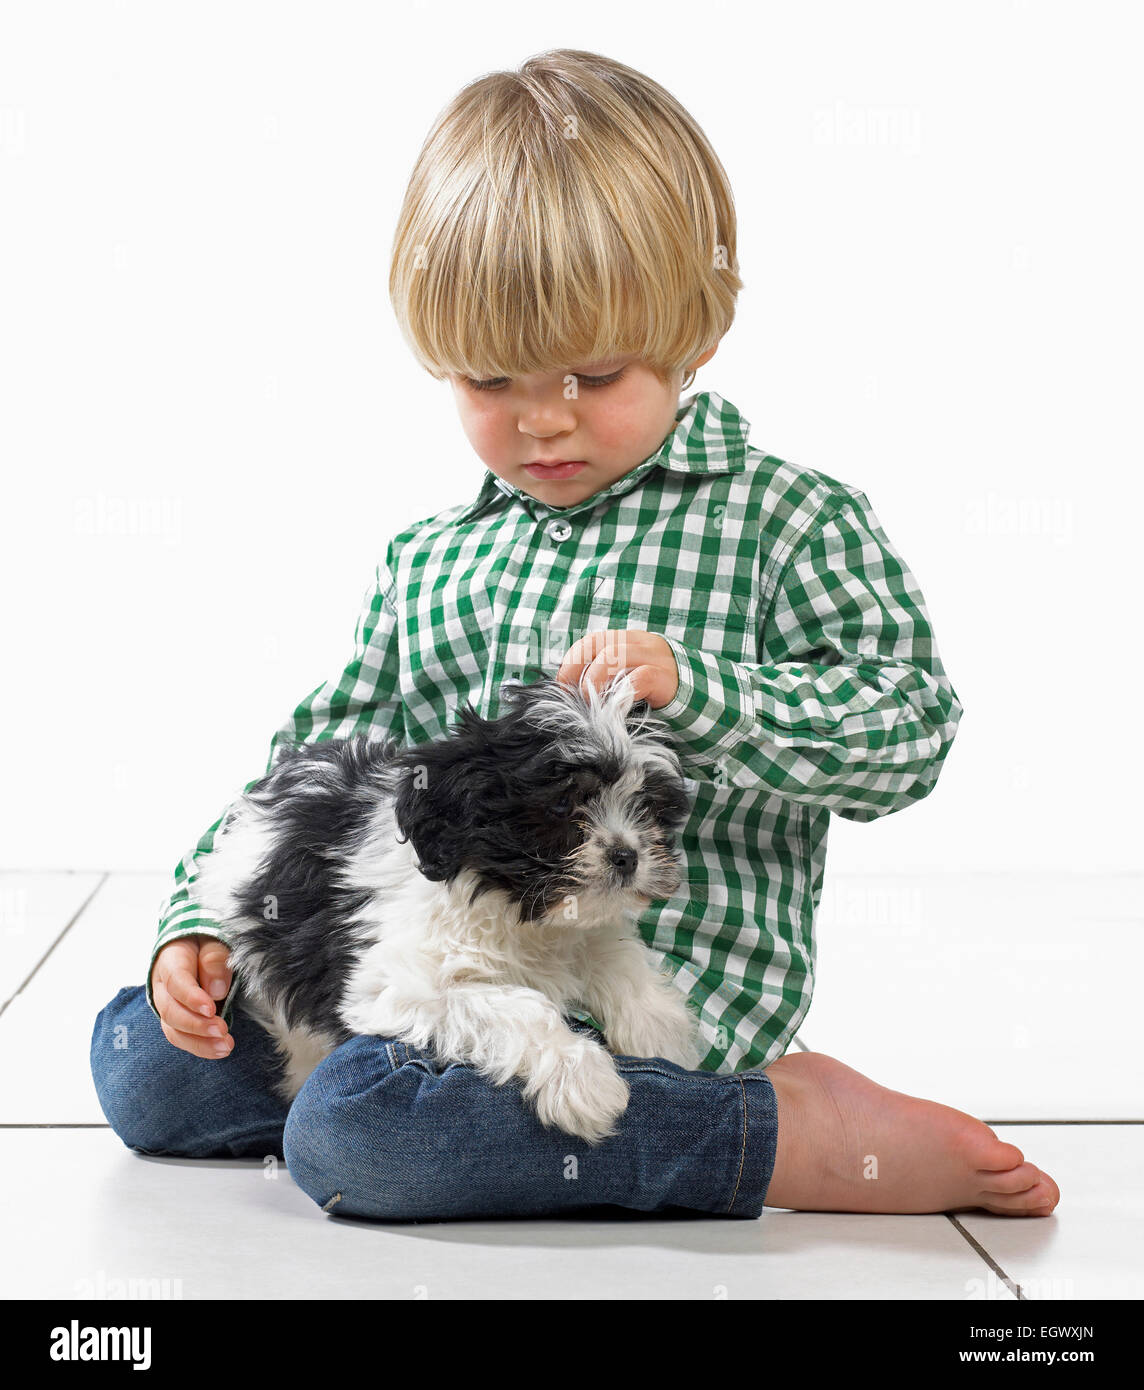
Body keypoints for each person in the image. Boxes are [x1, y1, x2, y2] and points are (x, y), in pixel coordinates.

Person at [92, 48, 1059, 1223]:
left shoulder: (788, 522)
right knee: (142, 1062)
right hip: (439, 972)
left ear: (695, 336)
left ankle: (776, 1129)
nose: (542, 419)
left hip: (641, 996)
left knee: (360, 1134)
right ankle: (375, 1086)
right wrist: (196, 918)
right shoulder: (430, 559)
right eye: (490, 377)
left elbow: (907, 731)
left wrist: (702, 691)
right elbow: (317, 753)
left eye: (593, 374)